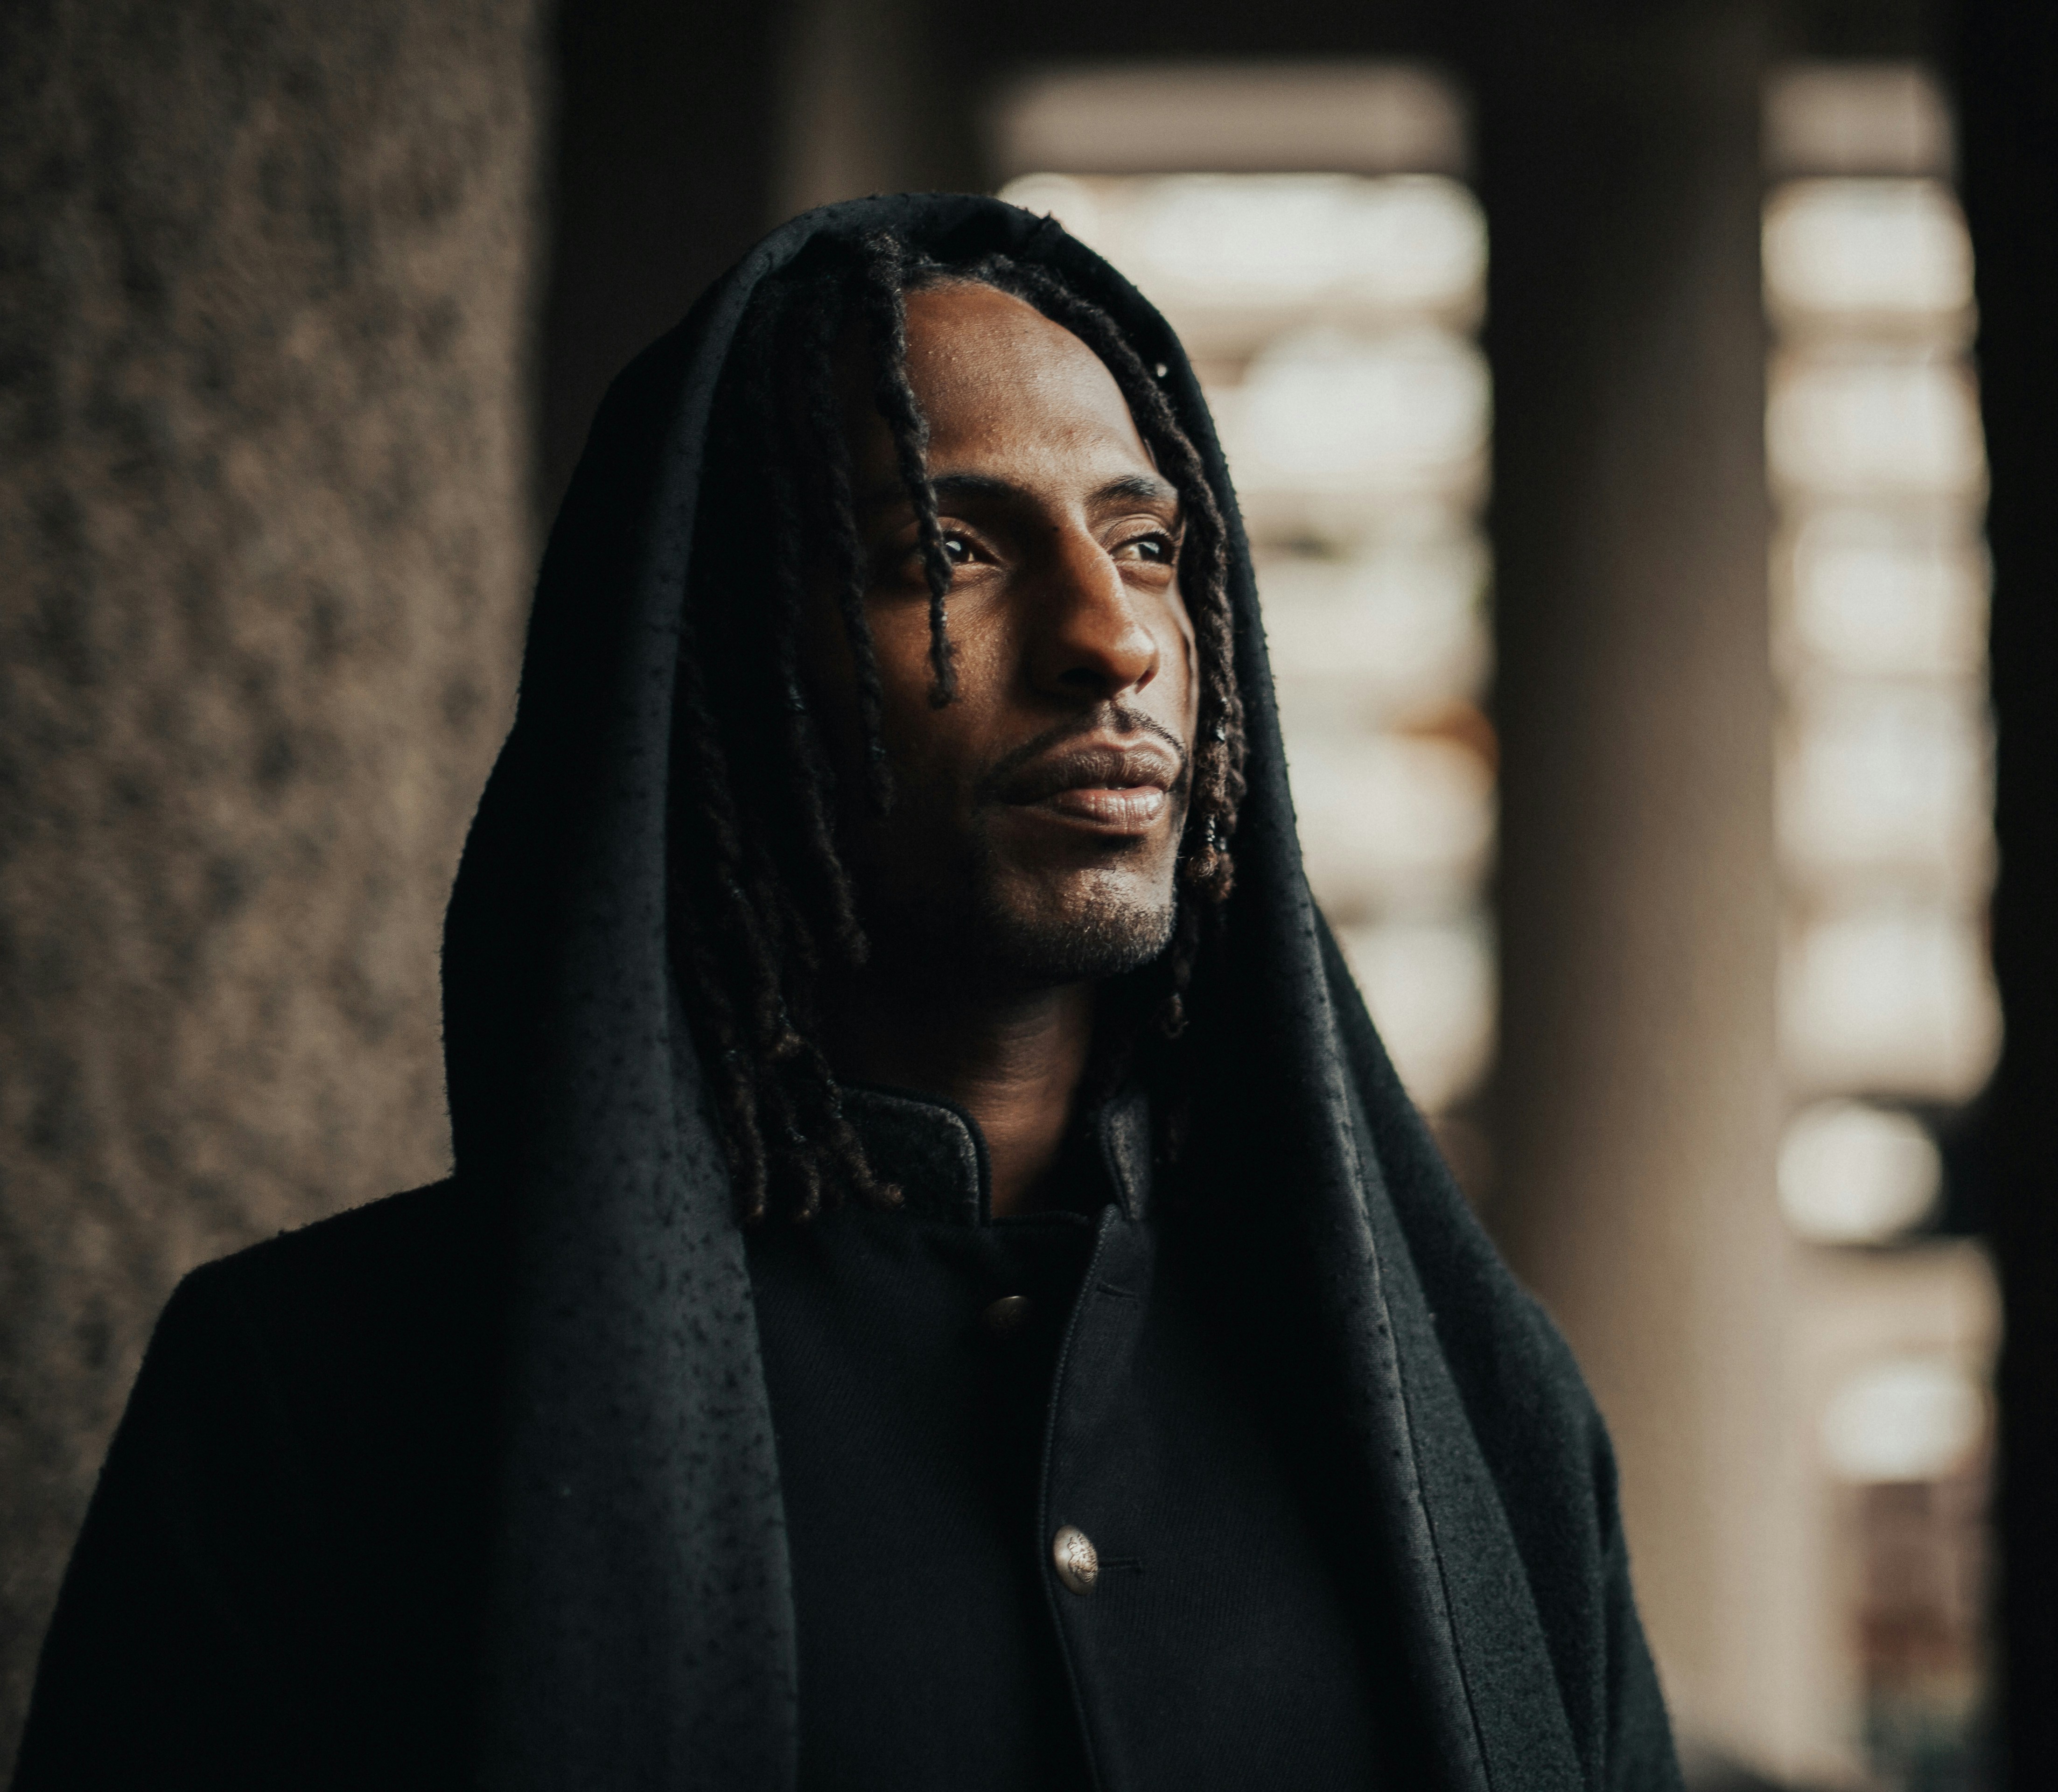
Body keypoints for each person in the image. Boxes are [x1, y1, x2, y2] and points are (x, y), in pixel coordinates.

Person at [15, 195, 1681, 1792]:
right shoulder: (324, 1404)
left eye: (1149, 545)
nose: (1112, 638)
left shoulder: (1462, 1401)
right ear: (719, 660)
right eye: (947, 547)